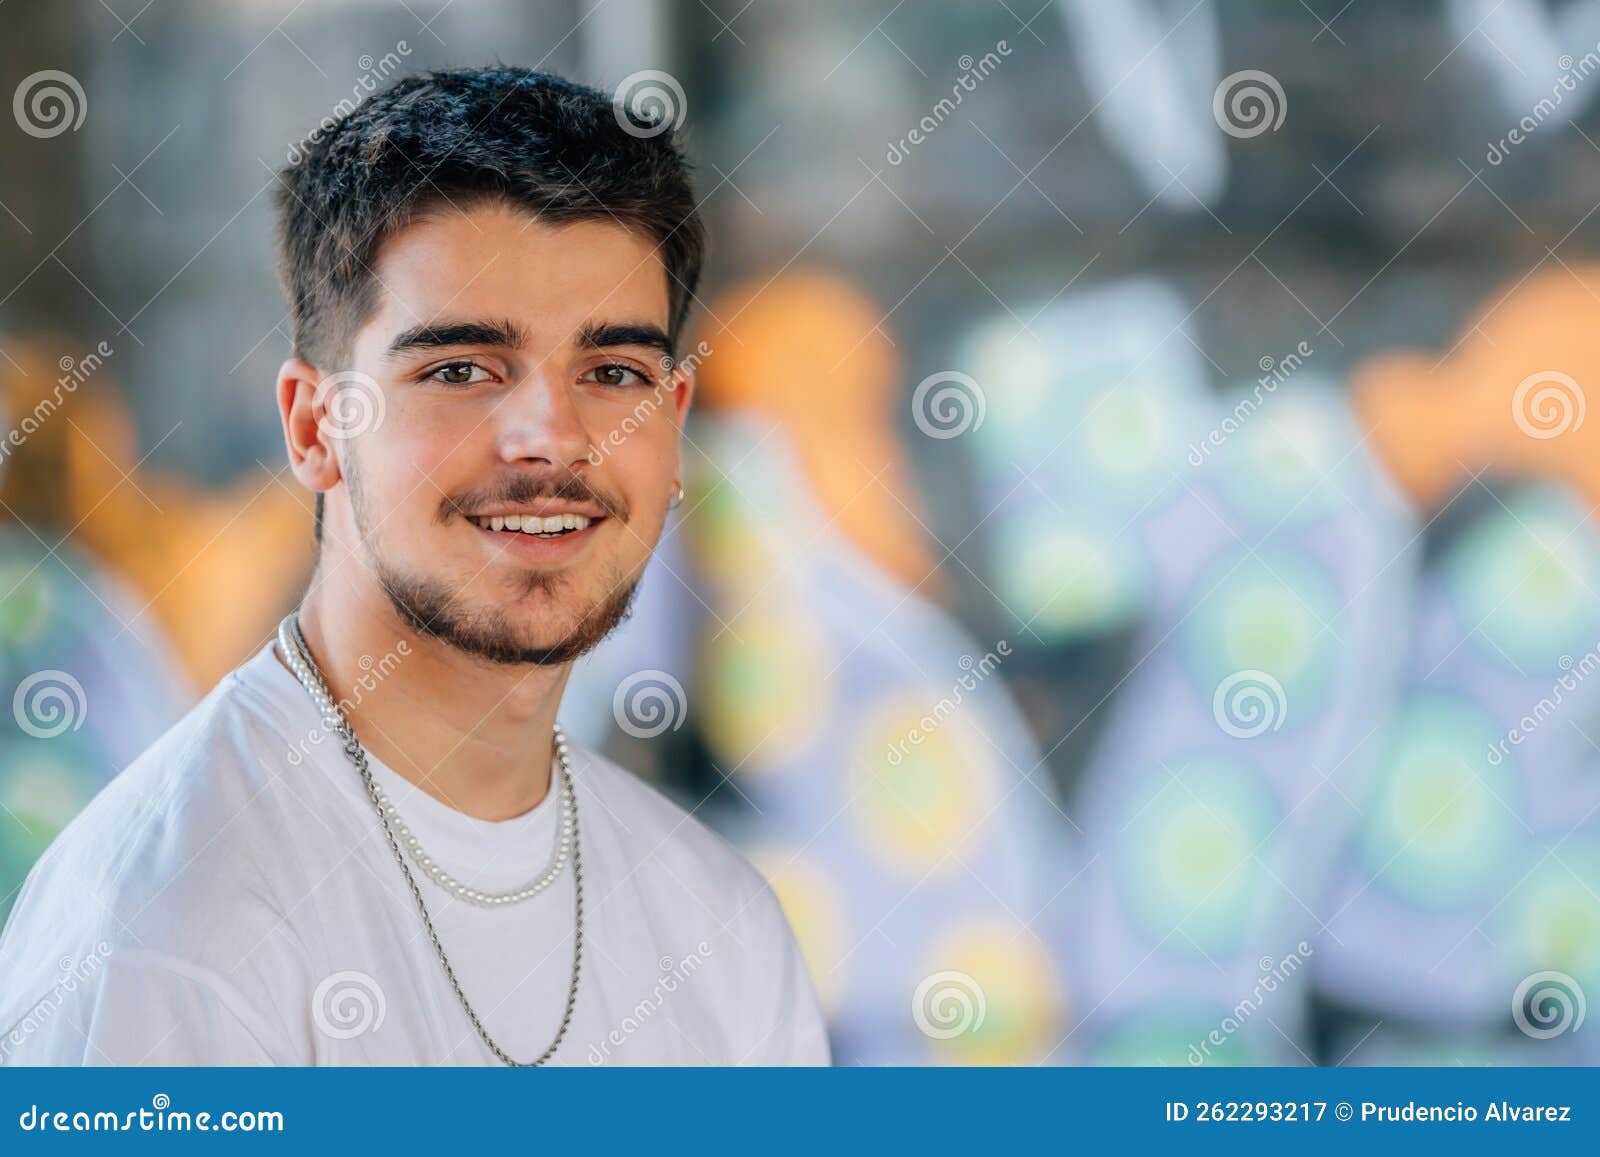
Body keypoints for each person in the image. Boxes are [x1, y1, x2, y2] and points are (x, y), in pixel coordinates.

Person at [0, 66, 829, 1067]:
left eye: (612, 373)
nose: (549, 439)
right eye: (462, 368)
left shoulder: (722, 926)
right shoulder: (164, 936)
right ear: (314, 427)